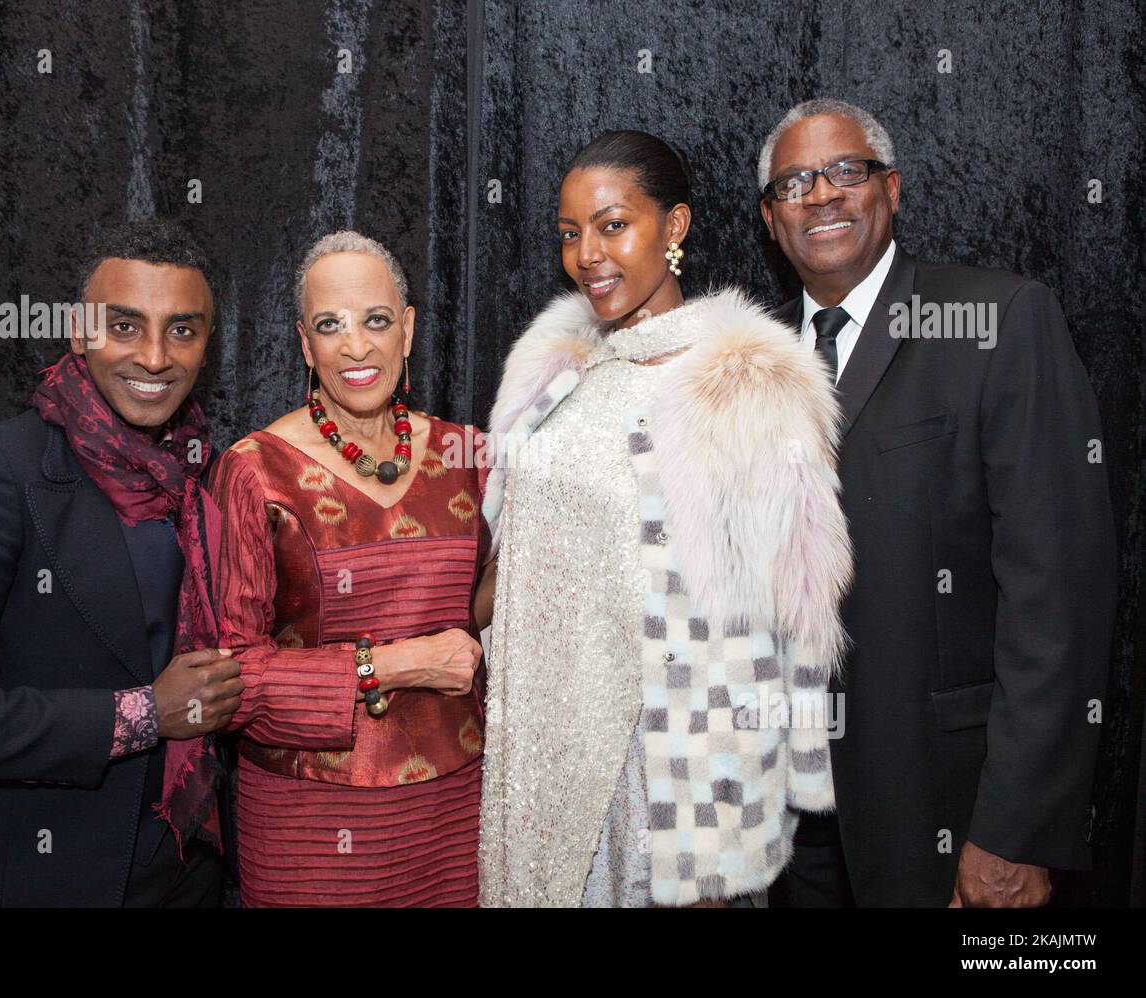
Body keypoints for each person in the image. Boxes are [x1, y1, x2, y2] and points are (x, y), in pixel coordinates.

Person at [475, 130, 852, 907]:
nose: (587, 255)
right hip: (544, 767)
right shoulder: (549, 372)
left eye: (613, 225)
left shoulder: (740, 380)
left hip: (668, 788)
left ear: (674, 227)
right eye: (570, 233)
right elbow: (501, 566)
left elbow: (772, 631)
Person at [757, 98, 1115, 907]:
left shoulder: (997, 322)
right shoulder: (753, 362)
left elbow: (1058, 595)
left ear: (893, 188)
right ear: (771, 219)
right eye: (795, 182)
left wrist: (1016, 829)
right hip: (784, 835)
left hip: (946, 817)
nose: (821, 195)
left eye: (846, 171)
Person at [0, 218, 242, 906]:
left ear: (206, 344)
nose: (156, 357)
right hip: (54, 880)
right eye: (124, 327)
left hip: (191, 871)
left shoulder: (205, 474)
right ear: (78, 331)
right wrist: (142, 715)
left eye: (182, 331)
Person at [209, 230, 489, 907]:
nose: (357, 346)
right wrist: (398, 664)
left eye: (377, 320)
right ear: (305, 343)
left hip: (454, 811)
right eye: (331, 325)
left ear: (409, 329)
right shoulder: (253, 470)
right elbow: (230, 679)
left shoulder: (469, 453)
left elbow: (498, 607)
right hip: (311, 818)